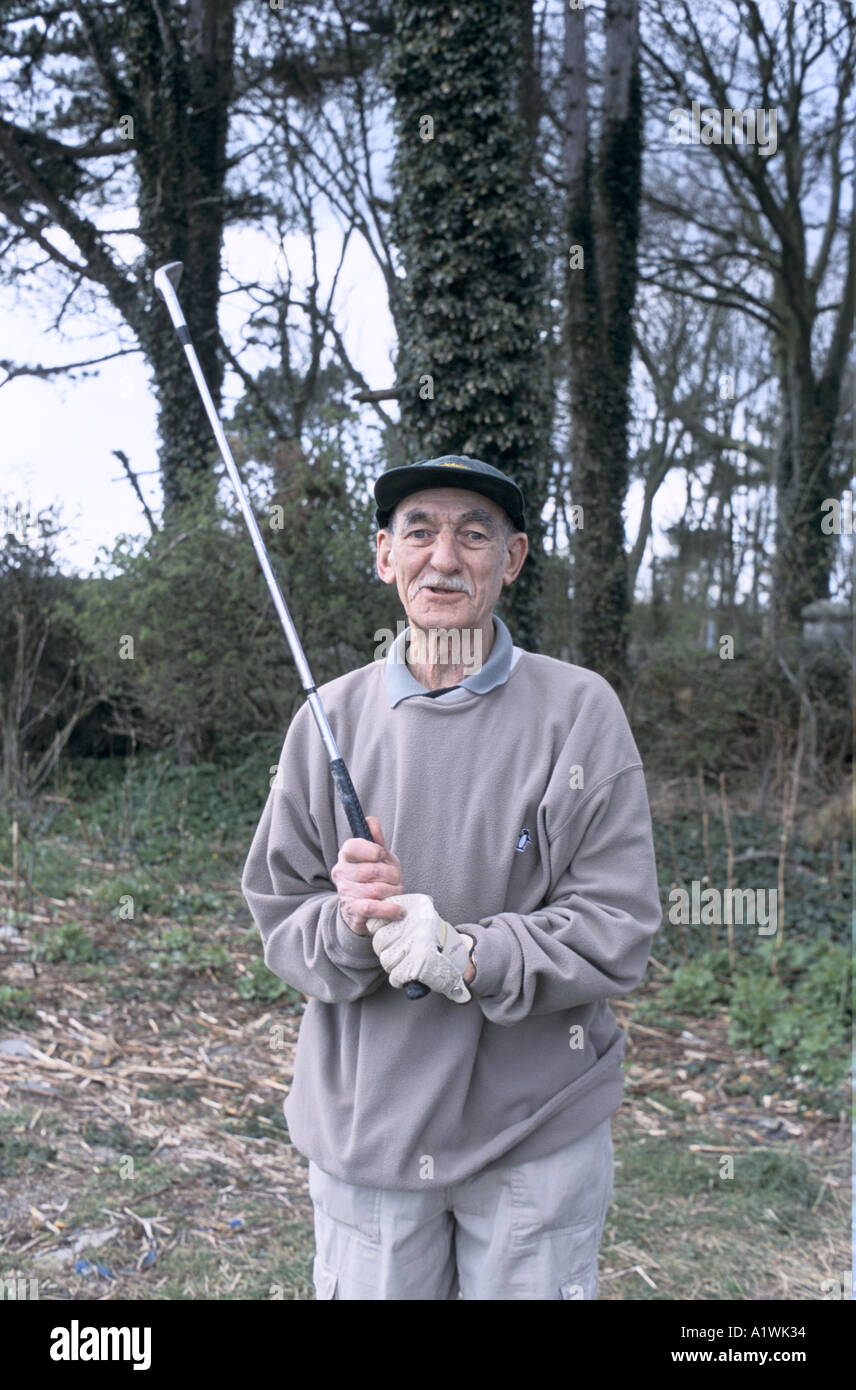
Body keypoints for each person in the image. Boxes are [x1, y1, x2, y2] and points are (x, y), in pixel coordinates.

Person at [241, 454, 662, 1300]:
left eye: (474, 535)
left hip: (534, 1139)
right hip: (370, 1143)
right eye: (420, 532)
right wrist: (349, 923)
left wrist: (467, 957)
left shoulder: (580, 712)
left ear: (511, 560)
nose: (444, 557)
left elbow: (618, 927)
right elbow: (285, 923)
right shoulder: (326, 720)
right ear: (383, 555)